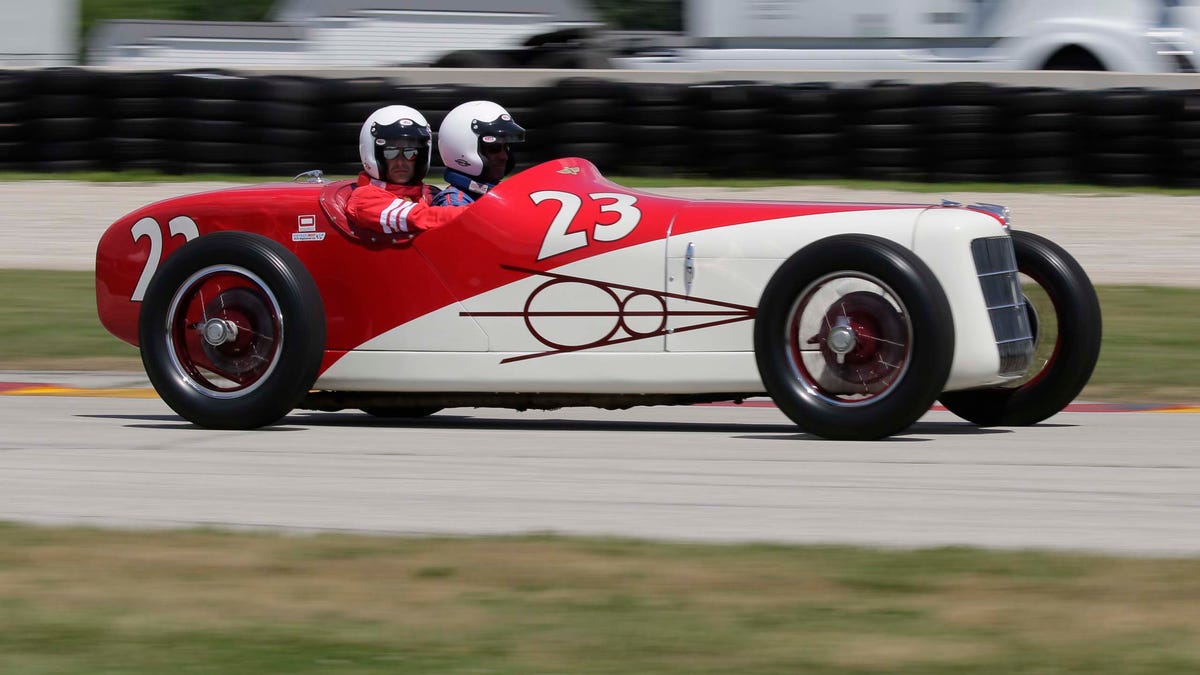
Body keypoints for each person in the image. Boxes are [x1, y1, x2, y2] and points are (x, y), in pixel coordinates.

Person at [346, 105, 461, 237]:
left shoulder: (427, 193)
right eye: (390, 152)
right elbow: (417, 217)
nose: (401, 162)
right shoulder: (365, 199)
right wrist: (475, 214)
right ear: (375, 154)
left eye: (410, 153)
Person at [432, 100, 526, 206]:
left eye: (507, 147)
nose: (504, 157)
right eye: (494, 148)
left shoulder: (503, 194)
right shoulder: (455, 203)